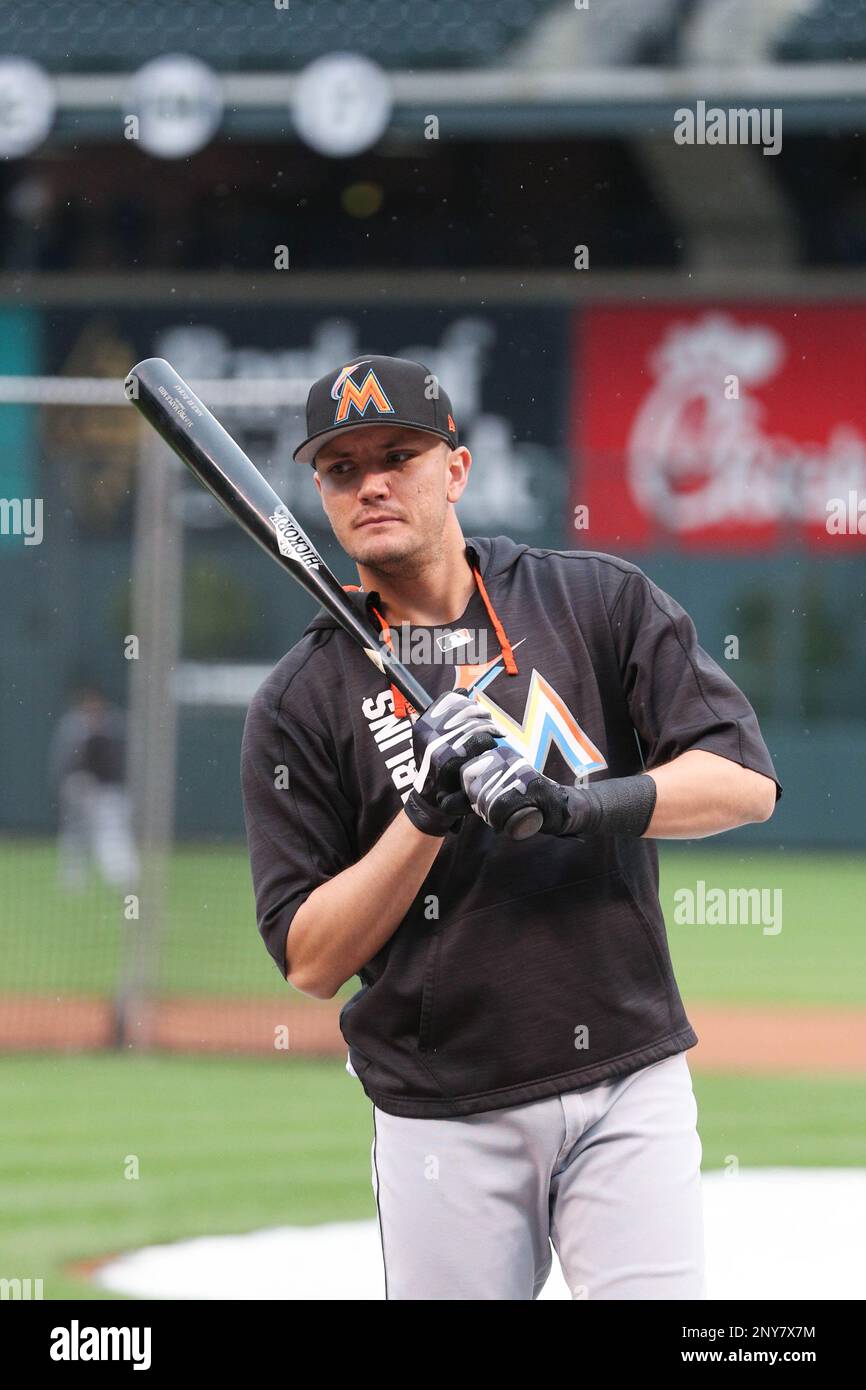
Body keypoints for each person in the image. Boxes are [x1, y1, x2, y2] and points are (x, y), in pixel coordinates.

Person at [240, 355, 782, 1300]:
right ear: (320, 495)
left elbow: (741, 780)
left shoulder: (594, 600)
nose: (371, 482)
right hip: (443, 1113)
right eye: (340, 468)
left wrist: (579, 806)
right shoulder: (301, 699)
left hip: (626, 1077)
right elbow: (311, 959)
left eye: (399, 455)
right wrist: (426, 817)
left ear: (455, 469)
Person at [50, 685, 139, 892]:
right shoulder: (73, 726)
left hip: (109, 791)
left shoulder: (115, 726)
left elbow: (122, 762)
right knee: (75, 834)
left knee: (112, 834)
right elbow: (64, 761)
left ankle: (123, 877)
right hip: (81, 788)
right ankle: (73, 880)